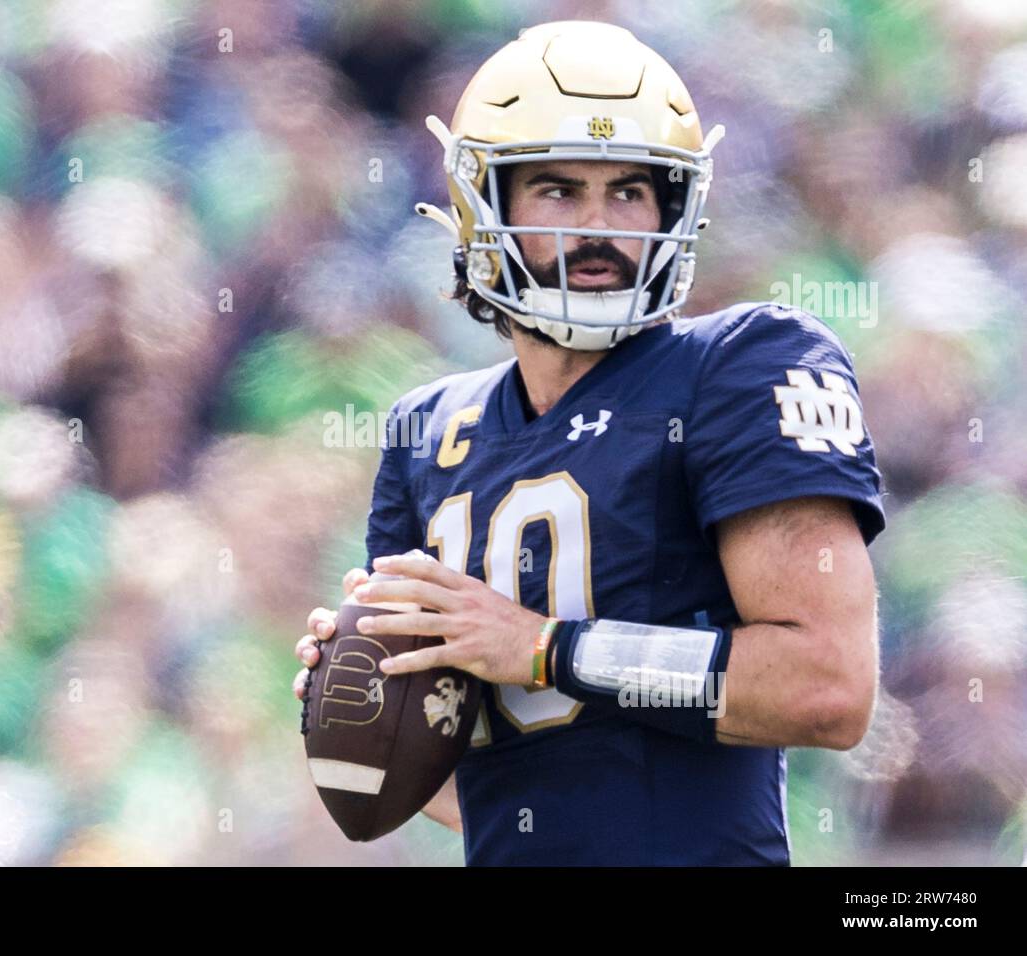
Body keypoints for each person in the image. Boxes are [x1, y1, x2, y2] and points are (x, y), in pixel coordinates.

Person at [293, 20, 885, 865]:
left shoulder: (739, 367)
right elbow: (487, 790)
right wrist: (370, 692)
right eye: (560, 192)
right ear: (482, 206)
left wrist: (542, 648)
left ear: (674, 208)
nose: (603, 227)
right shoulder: (424, 431)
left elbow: (827, 686)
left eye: (631, 192)